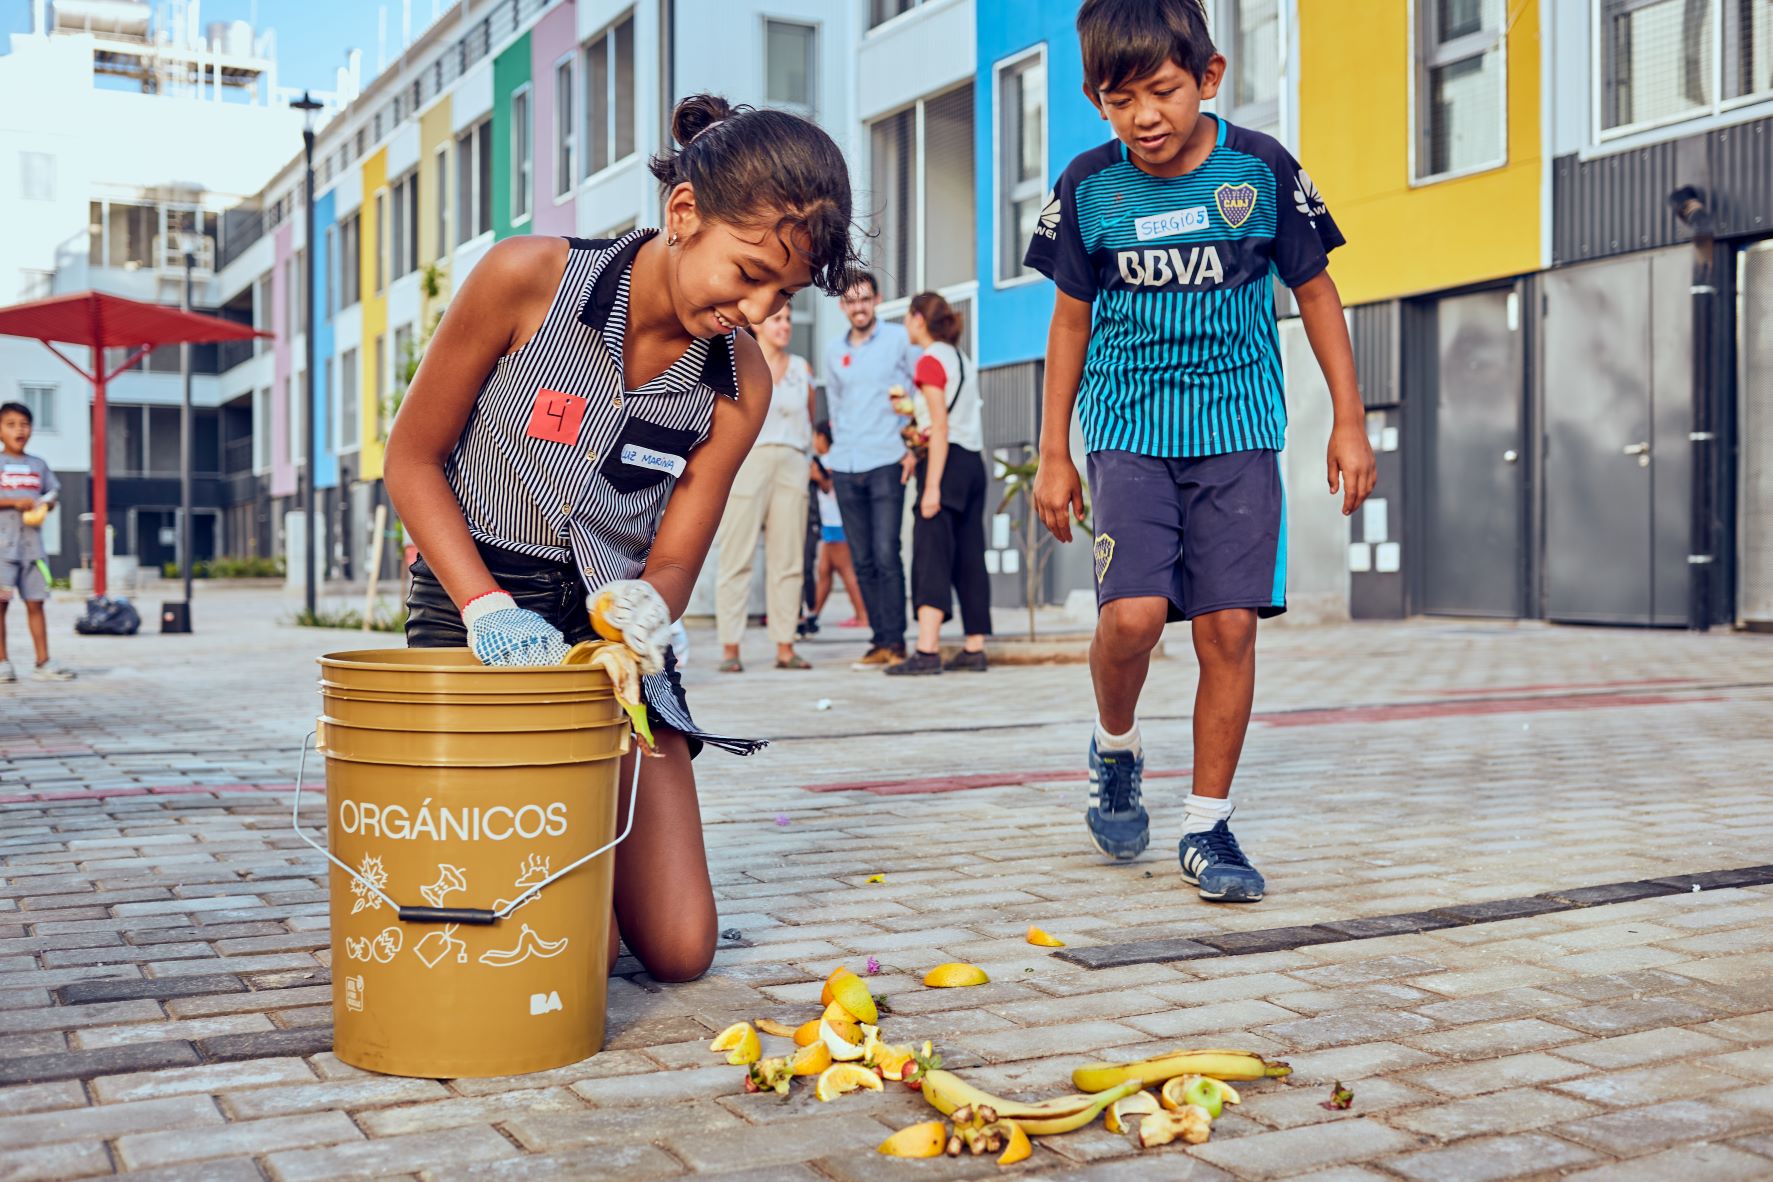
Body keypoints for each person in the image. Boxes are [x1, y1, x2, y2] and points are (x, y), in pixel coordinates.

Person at [383, 94, 862, 981]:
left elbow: (675, 555)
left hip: (613, 635)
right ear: (683, 214)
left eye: (783, 294)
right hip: (479, 600)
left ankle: (565, 829)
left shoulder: (739, 385)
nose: (757, 307)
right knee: (576, 948)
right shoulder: (528, 280)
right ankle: (522, 848)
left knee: (680, 950)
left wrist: (648, 609)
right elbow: (410, 460)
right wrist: (486, 608)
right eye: (748, 271)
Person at [1025, 0, 1375, 901]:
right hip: (1129, 428)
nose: (1143, 116)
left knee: (1227, 628)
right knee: (1132, 618)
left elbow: (1316, 290)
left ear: (1208, 77)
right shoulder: (1087, 185)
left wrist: (1347, 418)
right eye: (1119, 100)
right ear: (1095, 100)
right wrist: (1053, 451)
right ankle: (1115, 747)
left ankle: (1207, 825)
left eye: (1162, 91)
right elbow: (1068, 321)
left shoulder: (1259, 168)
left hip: (1236, 431)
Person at [886, 292, 990, 676]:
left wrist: (932, 488)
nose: (905, 325)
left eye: (907, 317)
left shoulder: (930, 361)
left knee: (931, 551)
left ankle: (927, 650)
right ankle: (974, 647)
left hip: (945, 463)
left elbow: (940, 427)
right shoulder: (961, 359)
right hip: (972, 463)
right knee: (970, 554)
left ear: (918, 319)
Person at [823, 272, 918, 669]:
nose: (858, 307)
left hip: (887, 459)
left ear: (877, 299)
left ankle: (896, 641)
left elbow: (920, 394)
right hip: (846, 463)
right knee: (861, 558)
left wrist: (913, 448)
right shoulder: (833, 351)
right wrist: (833, 459)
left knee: (886, 553)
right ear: (842, 306)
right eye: (851, 301)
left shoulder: (899, 340)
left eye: (864, 299)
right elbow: (835, 406)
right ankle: (879, 640)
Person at [712, 304, 814, 672]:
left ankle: (786, 645)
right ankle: (730, 647)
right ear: (758, 325)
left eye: (788, 319)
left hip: (792, 462)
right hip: (748, 462)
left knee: (788, 558)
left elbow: (810, 420)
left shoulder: (802, 369)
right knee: (736, 554)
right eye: (777, 319)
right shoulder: (740, 366)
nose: (785, 325)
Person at [0, 401, 73, 683]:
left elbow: (52, 493)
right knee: (1, 605)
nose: (19, 430)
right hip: (3, 550)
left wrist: (46, 505)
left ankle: (43, 661)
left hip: (33, 550)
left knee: (36, 603)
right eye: (11, 424)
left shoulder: (38, 465)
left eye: (24, 424)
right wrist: (14, 502)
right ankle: (2, 662)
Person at [808, 428, 868, 633]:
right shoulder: (834, 459)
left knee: (846, 571)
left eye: (815, 437)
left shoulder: (829, 461)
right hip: (831, 523)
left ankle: (863, 615)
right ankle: (814, 614)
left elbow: (829, 488)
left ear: (823, 438)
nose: (814, 442)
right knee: (824, 571)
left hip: (836, 522)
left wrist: (818, 477)